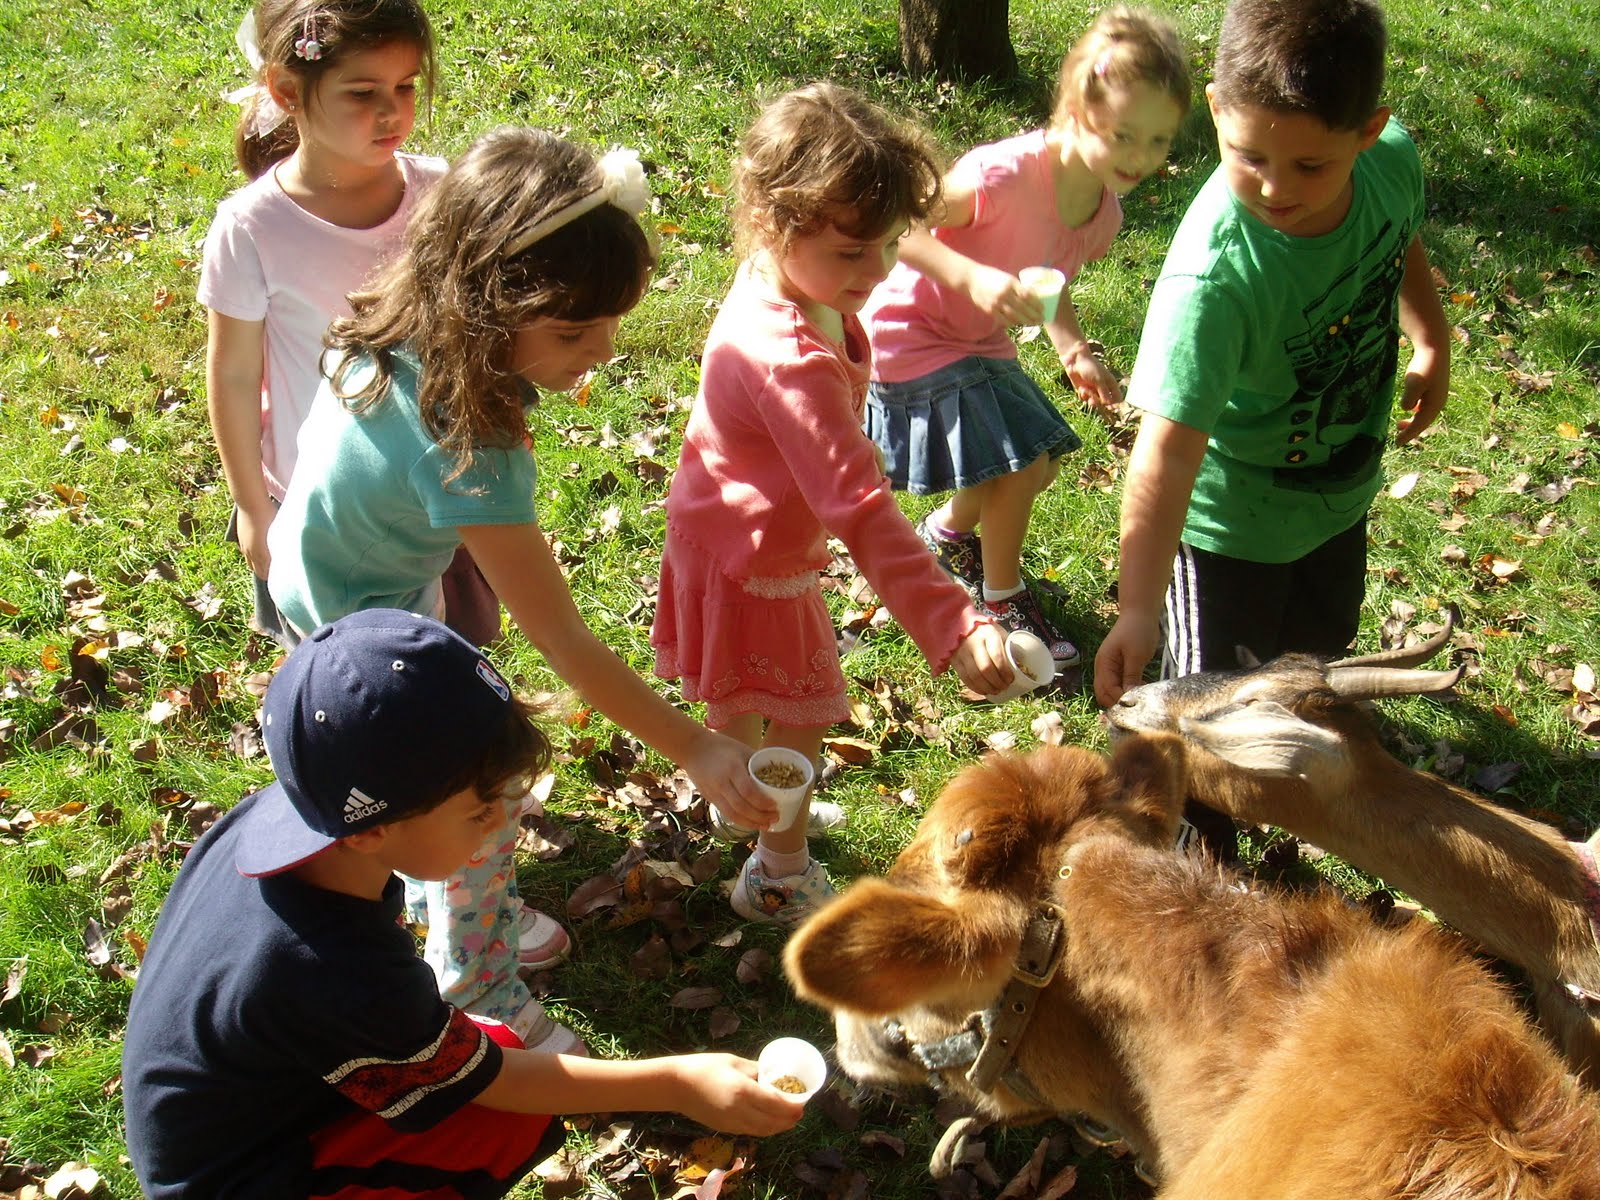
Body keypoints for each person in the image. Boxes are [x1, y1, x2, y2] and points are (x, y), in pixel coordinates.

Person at [267, 127, 771, 1051]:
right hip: (368, 629)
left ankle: (431, 870)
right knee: (478, 801)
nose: (606, 350)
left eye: (613, 320)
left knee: (428, 793)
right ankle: (476, 982)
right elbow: (564, 642)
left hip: (315, 577)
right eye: (575, 329)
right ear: (487, 304)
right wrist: (693, 747)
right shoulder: (469, 450)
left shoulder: (390, 318)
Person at [122, 609, 803, 1200]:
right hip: (245, 1182)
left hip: (253, 1108)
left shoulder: (298, 819)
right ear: (372, 831)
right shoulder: (334, 973)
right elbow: (485, 1081)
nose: (503, 825)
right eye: (480, 812)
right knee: (505, 1107)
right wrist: (678, 1083)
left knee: (489, 1042)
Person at [650, 83, 1015, 927]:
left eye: (887, 246)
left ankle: (738, 793)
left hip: (716, 522)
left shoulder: (781, 281)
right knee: (801, 710)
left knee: (740, 689)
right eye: (854, 253)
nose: (878, 272)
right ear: (777, 224)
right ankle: (779, 870)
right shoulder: (790, 358)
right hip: (759, 556)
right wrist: (952, 622)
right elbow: (857, 505)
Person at [1092, 0, 1450, 849]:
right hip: (1228, 534)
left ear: (1370, 131)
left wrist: (1429, 335)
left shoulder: (1391, 164)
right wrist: (1138, 610)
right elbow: (1166, 454)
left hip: (1335, 498)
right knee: (1208, 714)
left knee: (1306, 669)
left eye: (1310, 165)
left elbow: (1400, 241)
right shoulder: (1214, 280)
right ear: (1215, 109)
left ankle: (1280, 794)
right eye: (1249, 155)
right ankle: (1196, 849)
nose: (1275, 187)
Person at [863, 8, 1191, 672]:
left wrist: (1072, 348)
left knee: (1039, 464)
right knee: (1018, 461)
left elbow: (1050, 279)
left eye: (1158, 142)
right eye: (1124, 134)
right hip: (908, 333)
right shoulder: (1002, 175)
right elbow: (902, 226)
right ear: (1074, 109)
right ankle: (1001, 594)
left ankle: (950, 533)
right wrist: (973, 276)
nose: (1140, 157)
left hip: (976, 341)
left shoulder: (1103, 214)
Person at [203, 0, 505, 649]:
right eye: (363, 93)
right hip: (320, 509)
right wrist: (255, 510)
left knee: (441, 666)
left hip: (429, 490)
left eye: (405, 87)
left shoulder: (436, 192)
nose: (392, 111)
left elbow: (470, 328)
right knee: (342, 676)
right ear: (287, 91)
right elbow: (232, 375)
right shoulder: (252, 229)